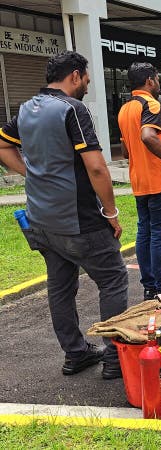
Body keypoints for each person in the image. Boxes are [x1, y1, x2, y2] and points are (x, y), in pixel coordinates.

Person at [0, 51, 127, 379]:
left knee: (60, 285)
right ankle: (115, 359)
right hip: (79, 221)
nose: (87, 84)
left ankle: (75, 354)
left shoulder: (27, 109)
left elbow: (3, 145)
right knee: (112, 279)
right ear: (74, 76)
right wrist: (111, 213)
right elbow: (97, 167)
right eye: (85, 78)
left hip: (41, 222)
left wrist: (31, 174)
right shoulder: (72, 109)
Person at [118, 62, 161, 301]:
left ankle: (150, 287)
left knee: (145, 234)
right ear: (150, 80)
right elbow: (148, 137)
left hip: (139, 183)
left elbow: (126, 151)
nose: (158, 83)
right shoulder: (151, 104)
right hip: (160, 182)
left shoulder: (124, 109)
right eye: (157, 79)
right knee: (159, 236)